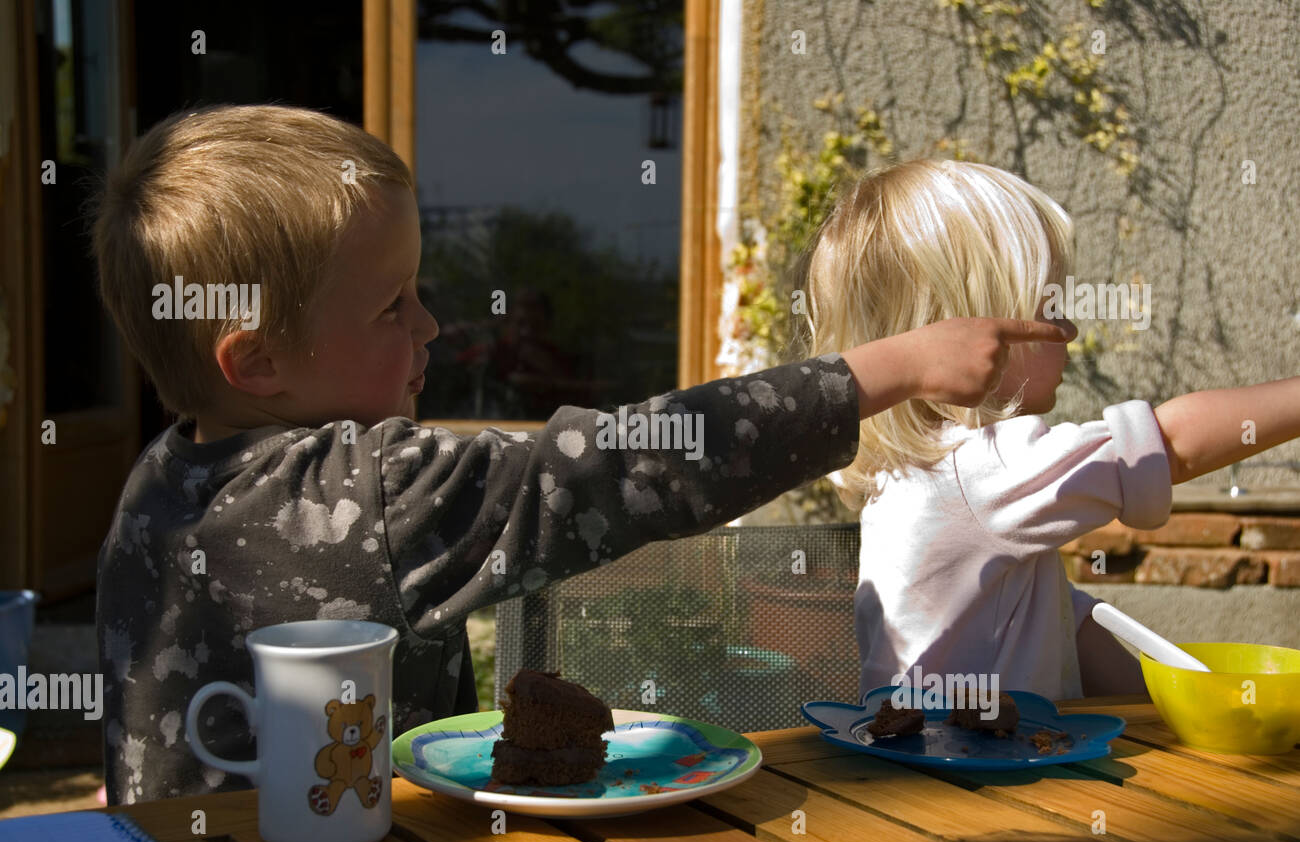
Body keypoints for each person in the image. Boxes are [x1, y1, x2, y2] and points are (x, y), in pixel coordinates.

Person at [91, 106, 1068, 804]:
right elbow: (615, 468)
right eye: (393, 306)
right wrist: (875, 371)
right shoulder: (364, 489)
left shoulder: (158, 482)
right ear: (257, 361)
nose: (429, 324)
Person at [799, 158, 1300, 702]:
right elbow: (1172, 445)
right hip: (977, 779)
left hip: (925, 774)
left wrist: (1175, 712)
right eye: (1051, 307)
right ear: (972, 332)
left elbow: (1067, 628)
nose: (1071, 330)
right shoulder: (975, 475)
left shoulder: (914, 480)